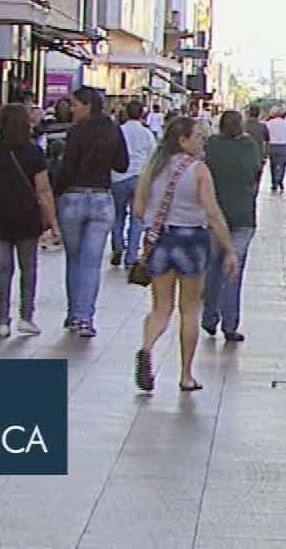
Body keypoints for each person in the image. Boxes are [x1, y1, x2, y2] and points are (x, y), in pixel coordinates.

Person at [133, 115, 238, 392]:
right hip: (191, 240)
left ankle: (147, 347)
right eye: (198, 137)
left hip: (159, 240)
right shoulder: (198, 170)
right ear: (183, 140)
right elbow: (212, 212)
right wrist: (229, 249)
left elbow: (139, 210)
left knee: (161, 307)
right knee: (189, 309)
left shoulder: (152, 167)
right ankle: (186, 375)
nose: (202, 142)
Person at [49, 86, 127, 337]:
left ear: (87, 105)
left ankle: (73, 314)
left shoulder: (76, 132)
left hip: (74, 196)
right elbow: (122, 164)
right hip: (102, 198)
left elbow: (67, 168)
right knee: (91, 262)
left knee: (74, 259)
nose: (71, 109)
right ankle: (86, 318)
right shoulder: (112, 129)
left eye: (75, 104)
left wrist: (57, 195)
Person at [0, 103, 55, 338]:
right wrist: (53, 222)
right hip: (26, 216)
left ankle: (2, 321)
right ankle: (26, 317)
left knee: (3, 270)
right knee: (28, 268)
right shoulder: (33, 152)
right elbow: (43, 190)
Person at [202, 111, 260, 341]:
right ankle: (230, 324)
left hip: (214, 215)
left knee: (212, 268)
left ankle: (209, 317)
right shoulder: (249, 146)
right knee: (233, 270)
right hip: (243, 216)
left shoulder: (211, 145)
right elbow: (255, 174)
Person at [111, 100, 156, 269]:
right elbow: (153, 156)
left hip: (119, 177)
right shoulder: (147, 134)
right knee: (137, 218)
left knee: (118, 214)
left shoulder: (118, 131)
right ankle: (131, 257)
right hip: (140, 178)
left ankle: (117, 246)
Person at [264, 105, 286, 195]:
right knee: (282, 165)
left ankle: (274, 182)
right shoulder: (285, 123)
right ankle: (280, 179)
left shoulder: (269, 123)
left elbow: (266, 135)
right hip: (283, 146)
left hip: (272, 145)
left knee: (273, 165)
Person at [244, 104, 271, 188]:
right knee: (256, 180)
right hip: (258, 156)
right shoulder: (262, 127)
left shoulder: (242, 125)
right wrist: (265, 155)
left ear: (249, 113)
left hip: (244, 156)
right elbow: (267, 141)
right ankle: (254, 193)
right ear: (259, 114)